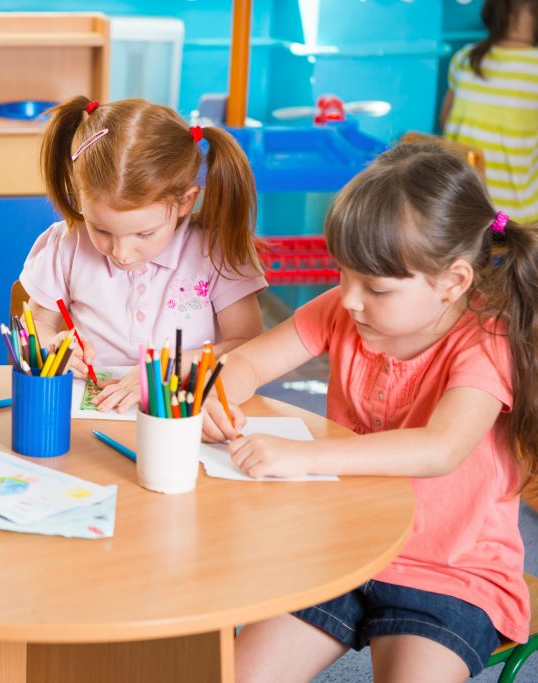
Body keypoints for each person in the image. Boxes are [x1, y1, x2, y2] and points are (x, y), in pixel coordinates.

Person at [203, 143, 536, 682]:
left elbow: (440, 448)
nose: (350, 299)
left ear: (452, 282)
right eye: (343, 275)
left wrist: (304, 457)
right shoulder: (345, 309)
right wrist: (217, 397)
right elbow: (246, 363)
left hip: (449, 571)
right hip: (341, 548)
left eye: (376, 288)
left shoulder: (485, 341)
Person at [19, 97, 266, 412]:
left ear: (185, 202)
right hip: (88, 417)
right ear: (79, 198)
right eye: (103, 230)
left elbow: (250, 346)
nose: (121, 253)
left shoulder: (214, 251)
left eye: (144, 234)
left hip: (185, 420)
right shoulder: (67, 243)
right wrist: (51, 346)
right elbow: (37, 323)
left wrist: (170, 368)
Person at [442, 0, 538, 223]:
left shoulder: (465, 58)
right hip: (516, 213)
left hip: (464, 203)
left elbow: (447, 122)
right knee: (509, 253)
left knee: (482, 253)